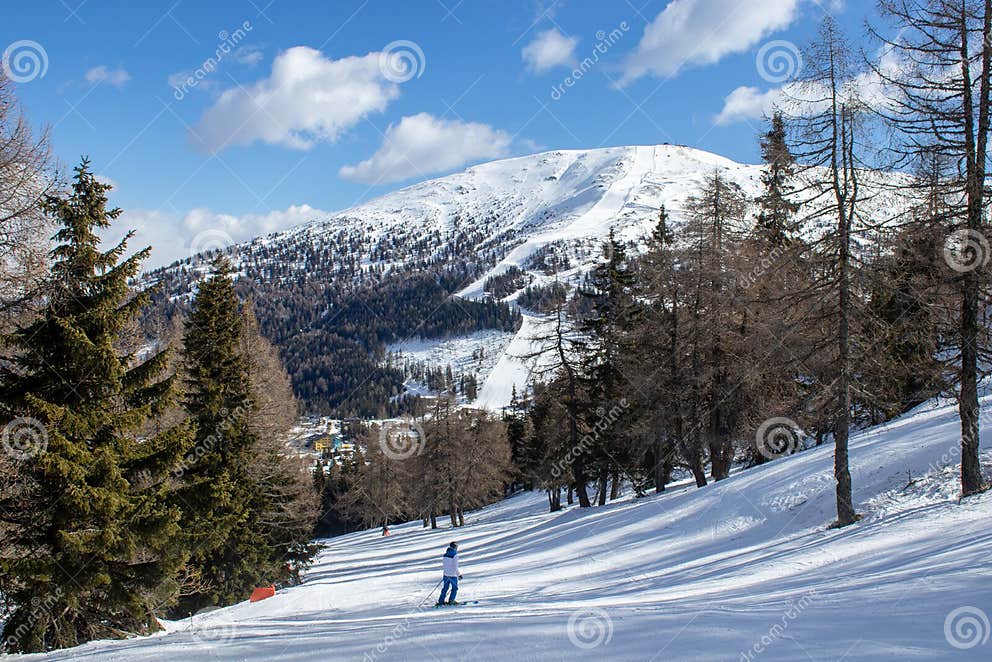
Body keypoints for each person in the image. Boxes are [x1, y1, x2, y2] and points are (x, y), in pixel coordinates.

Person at [436, 542, 462, 606]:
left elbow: (445, 565)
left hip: (446, 574)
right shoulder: (455, 555)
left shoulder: (445, 554)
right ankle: (451, 601)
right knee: (454, 588)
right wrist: (459, 575)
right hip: (453, 575)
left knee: (445, 588)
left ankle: (441, 601)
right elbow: (455, 566)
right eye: (456, 547)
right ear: (454, 547)